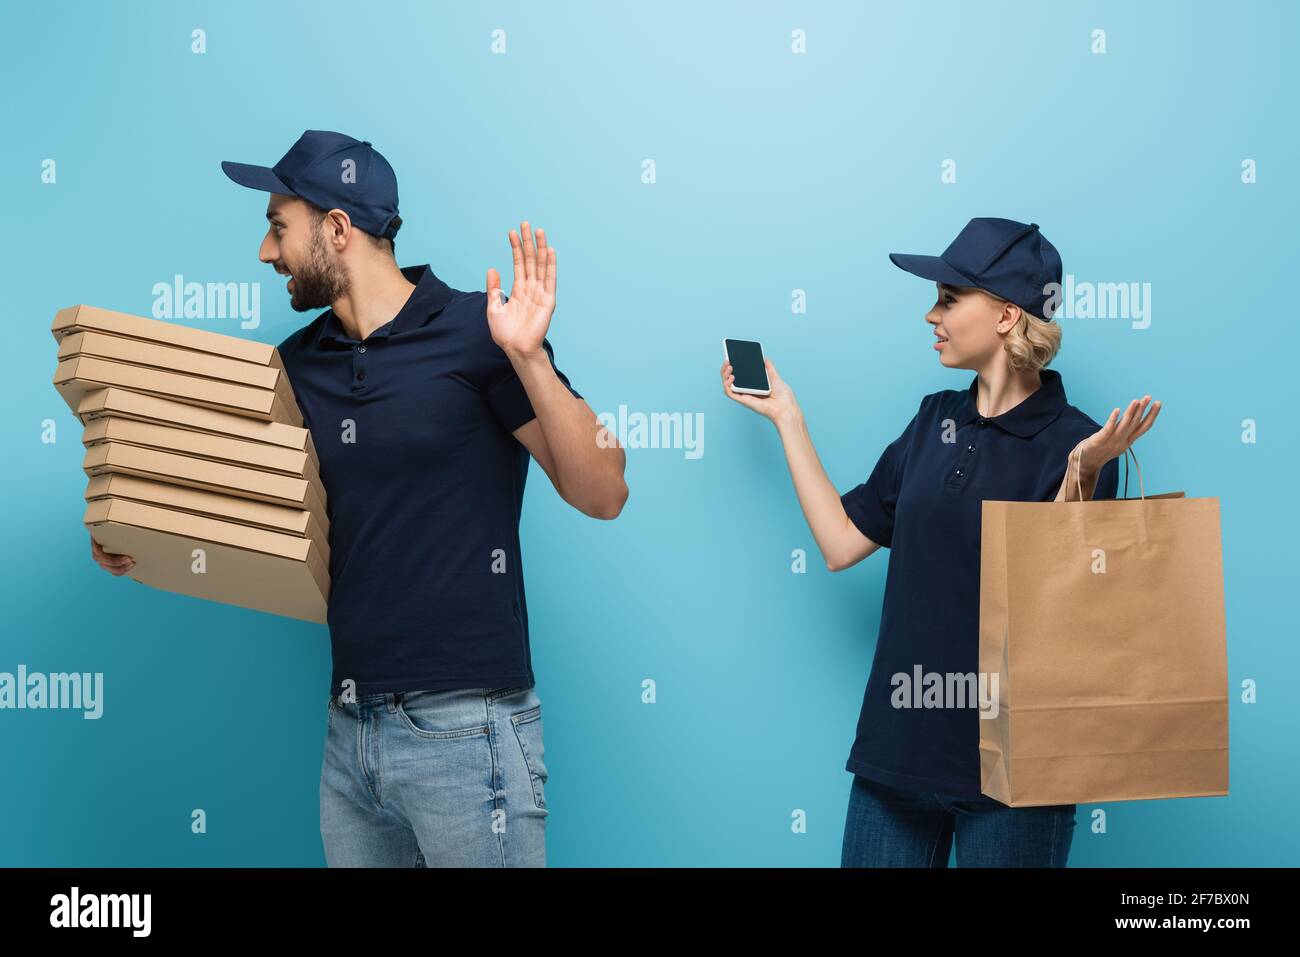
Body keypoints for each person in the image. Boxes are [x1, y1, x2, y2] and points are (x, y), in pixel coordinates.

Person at [91, 130, 628, 867]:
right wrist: (140, 533)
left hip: (467, 732)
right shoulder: (295, 366)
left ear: (337, 230)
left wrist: (529, 358)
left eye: (279, 226)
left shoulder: (480, 332)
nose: (265, 252)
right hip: (350, 737)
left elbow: (602, 491)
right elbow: (237, 506)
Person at [720, 218, 1160, 867]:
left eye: (950, 299)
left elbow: (1060, 603)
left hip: (1015, 778)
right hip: (893, 762)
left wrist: (1082, 475)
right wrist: (788, 415)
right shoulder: (932, 421)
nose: (932, 314)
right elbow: (842, 542)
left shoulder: (1080, 446)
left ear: (1008, 314)